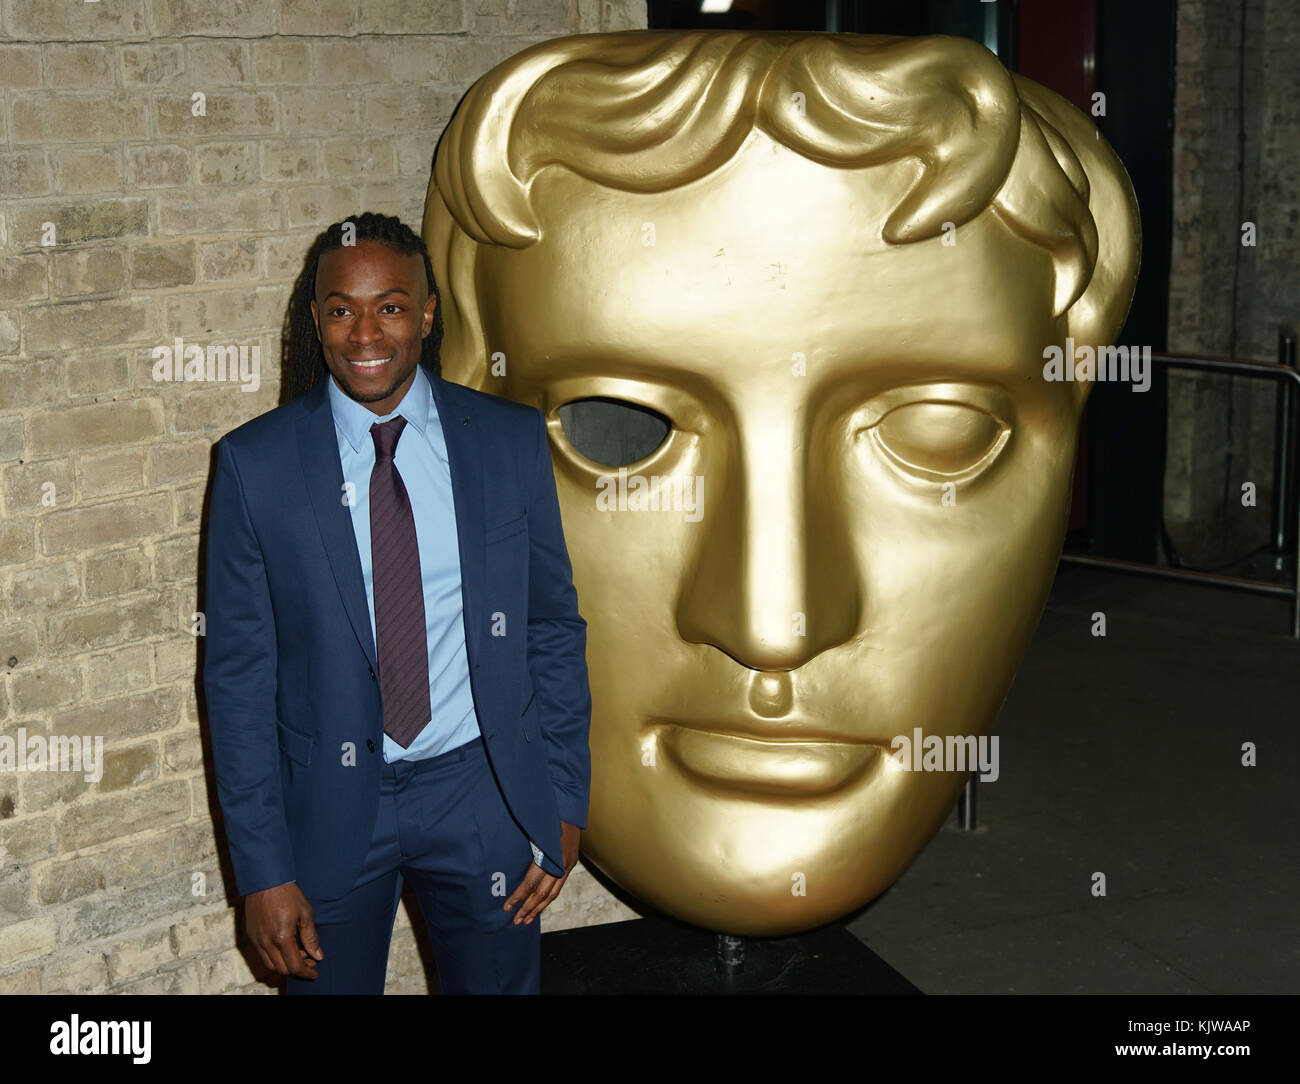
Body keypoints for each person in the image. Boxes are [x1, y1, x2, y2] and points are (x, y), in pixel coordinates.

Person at [203, 211, 591, 994]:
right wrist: (262, 870)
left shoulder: (508, 442)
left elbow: (551, 624)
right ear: (316, 321)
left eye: (389, 305)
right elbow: (237, 680)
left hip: (483, 795)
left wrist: (563, 797)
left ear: (426, 312)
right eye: (342, 309)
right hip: (328, 811)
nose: (364, 332)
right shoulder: (255, 466)